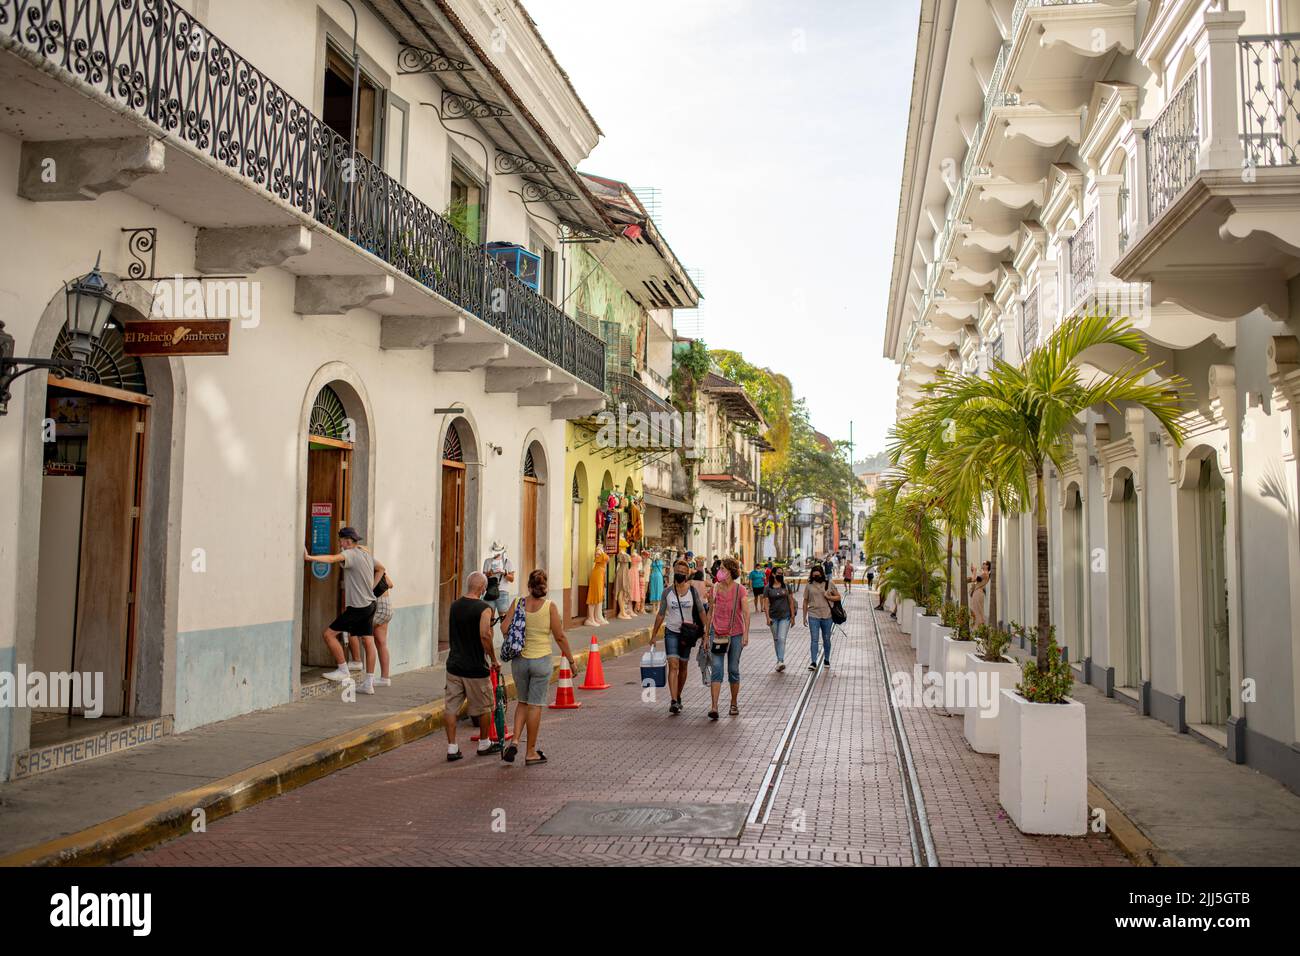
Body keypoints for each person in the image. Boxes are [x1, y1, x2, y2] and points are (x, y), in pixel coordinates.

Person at [501, 570, 579, 766]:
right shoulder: (550, 607)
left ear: (528, 586)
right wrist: (571, 661)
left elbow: (503, 628)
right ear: (545, 586)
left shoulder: (518, 603)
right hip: (541, 661)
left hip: (520, 661)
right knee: (535, 706)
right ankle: (530, 752)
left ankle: (515, 741)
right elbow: (559, 636)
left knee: (522, 702)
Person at [302, 527, 384, 694]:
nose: (339, 543)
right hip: (370, 604)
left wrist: (309, 557)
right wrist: (371, 587)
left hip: (358, 607)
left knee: (328, 634)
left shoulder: (350, 554)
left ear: (347, 541)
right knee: (368, 641)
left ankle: (343, 670)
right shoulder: (366, 554)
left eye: (340, 540)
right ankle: (369, 683)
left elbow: (333, 559)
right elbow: (382, 568)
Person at [443, 572, 501, 761]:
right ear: (482, 588)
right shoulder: (484, 608)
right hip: (476, 667)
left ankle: (452, 748)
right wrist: (493, 658)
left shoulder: (454, 605)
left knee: (451, 708)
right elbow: (485, 635)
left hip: (454, 666)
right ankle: (484, 742)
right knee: (485, 707)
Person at [650, 558, 710, 715]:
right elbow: (661, 614)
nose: (680, 574)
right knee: (673, 664)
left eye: (683, 573)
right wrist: (654, 635)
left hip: (687, 633)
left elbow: (702, 611)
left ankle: (678, 695)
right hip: (671, 632)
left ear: (687, 575)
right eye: (678, 572)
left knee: (683, 666)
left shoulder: (692, 591)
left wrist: (706, 631)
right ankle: (674, 700)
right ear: (674, 573)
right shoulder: (667, 592)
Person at [706, 557, 750, 720]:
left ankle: (733, 703)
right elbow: (710, 611)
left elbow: (745, 612)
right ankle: (714, 707)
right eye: (720, 568)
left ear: (731, 572)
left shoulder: (740, 590)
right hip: (717, 633)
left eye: (723, 569)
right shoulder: (715, 589)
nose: (720, 571)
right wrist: (706, 635)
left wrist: (746, 634)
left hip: (736, 634)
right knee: (717, 669)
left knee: (733, 669)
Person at [801, 564, 840, 671]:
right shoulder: (809, 585)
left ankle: (826, 659)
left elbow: (838, 597)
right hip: (813, 615)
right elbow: (805, 601)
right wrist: (804, 617)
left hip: (827, 616)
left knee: (826, 639)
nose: (816, 577)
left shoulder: (829, 584)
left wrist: (829, 596)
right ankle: (813, 662)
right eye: (814, 576)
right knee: (814, 639)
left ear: (822, 574)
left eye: (818, 575)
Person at [765, 567, 794, 672]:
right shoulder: (768, 588)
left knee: (781, 638)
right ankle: (779, 661)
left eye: (782, 573)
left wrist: (792, 617)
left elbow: (791, 601)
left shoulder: (786, 586)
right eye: (778, 573)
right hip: (773, 617)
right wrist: (767, 618)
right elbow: (766, 604)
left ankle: (781, 660)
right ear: (773, 574)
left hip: (785, 617)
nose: (780, 575)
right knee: (776, 639)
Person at [482, 543, 516, 621]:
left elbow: (512, 579)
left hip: (503, 592)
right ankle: (489, 633)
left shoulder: (508, 562)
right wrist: (489, 573)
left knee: (504, 619)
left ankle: (505, 633)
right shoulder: (487, 561)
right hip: (490, 591)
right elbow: (483, 578)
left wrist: (504, 572)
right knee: (489, 619)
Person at [968, 562, 989, 627]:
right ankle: (977, 628)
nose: (982, 564)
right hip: (977, 593)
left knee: (978, 611)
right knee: (975, 611)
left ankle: (978, 629)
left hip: (978, 593)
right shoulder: (983, 574)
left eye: (984, 563)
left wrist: (974, 570)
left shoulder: (985, 574)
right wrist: (973, 572)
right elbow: (975, 579)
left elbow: (974, 579)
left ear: (987, 566)